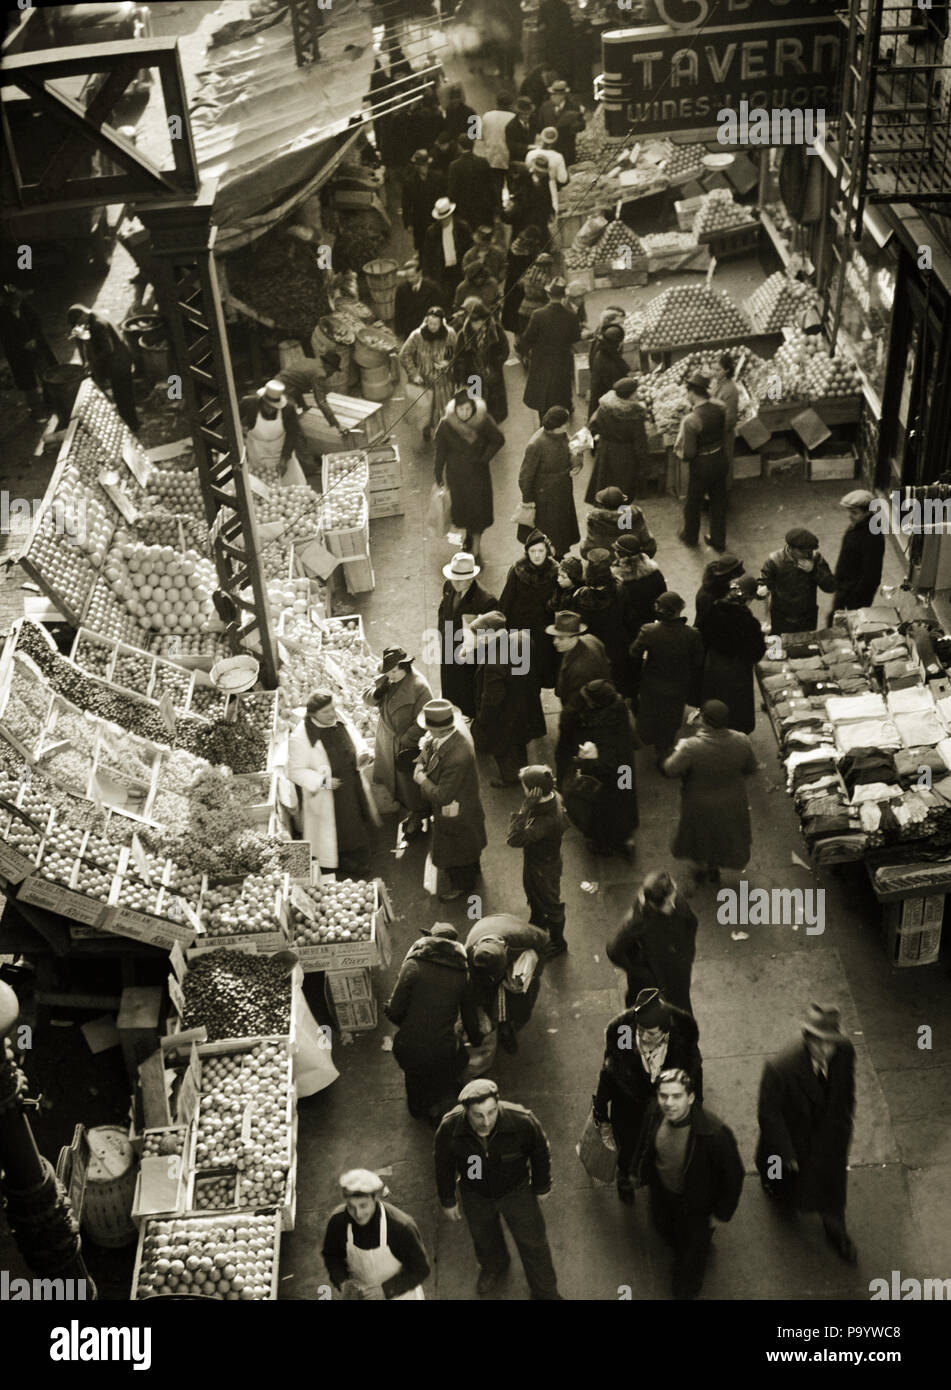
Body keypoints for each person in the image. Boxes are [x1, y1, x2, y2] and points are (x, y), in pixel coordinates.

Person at [434, 1078, 561, 1299]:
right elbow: (443, 1164)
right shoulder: (449, 1127)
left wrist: (542, 1185)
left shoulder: (522, 1121)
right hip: (475, 1193)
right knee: (484, 1237)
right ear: (466, 1111)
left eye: (491, 1112)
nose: (486, 1121)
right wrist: (448, 1199)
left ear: (498, 1105)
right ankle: (494, 1267)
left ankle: (545, 1291)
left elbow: (540, 1151)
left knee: (533, 1242)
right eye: (478, 1115)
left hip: (517, 1190)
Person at [756, 1003, 858, 1265]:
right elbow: (769, 1114)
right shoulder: (781, 1067)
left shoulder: (844, 1052)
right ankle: (776, 1188)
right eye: (819, 1043)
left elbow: (846, 1090)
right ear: (807, 1039)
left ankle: (836, 1233)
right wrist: (787, 1152)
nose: (825, 1050)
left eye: (831, 1044)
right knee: (782, 1178)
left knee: (831, 1189)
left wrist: (845, 1120)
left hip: (830, 1137)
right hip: (795, 1138)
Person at [633, 1068, 744, 1299]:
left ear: (691, 1098)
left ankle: (686, 1287)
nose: (669, 1103)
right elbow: (645, 1144)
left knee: (692, 1254)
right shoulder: (654, 1112)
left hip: (696, 1206)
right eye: (664, 1096)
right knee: (665, 1229)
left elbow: (734, 1176)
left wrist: (721, 1214)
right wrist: (638, 1171)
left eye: (677, 1096)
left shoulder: (714, 1134)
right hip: (663, 1196)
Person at [594, 988, 703, 1205]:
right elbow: (611, 1072)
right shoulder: (624, 1035)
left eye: (651, 1034)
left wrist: (696, 1112)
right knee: (627, 1151)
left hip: (664, 1113)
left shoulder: (682, 1045)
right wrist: (601, 1111)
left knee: (660, 1150)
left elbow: (694, 1081)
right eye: (640, 1030)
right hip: (629, 1113)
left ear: (666, 1032)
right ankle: (624, 1180)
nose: (643, 1037)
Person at [384, 923, 482, 1123]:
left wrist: (411, 1023)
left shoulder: (412, 965)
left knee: (415, 1075)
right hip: (442, 1052)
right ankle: (441, 1098)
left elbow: (394, 1011)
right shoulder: (462, 976)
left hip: (406, 1047)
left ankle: (420, 1108)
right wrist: (476, 1039)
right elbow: (470, 1019)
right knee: (457, 1060)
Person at [663, 699, 757, 890]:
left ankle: (700, 866)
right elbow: (751, 767)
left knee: (700, 835)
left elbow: (670, 769)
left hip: (698, 801)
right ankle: (714, 866)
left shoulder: (691, 746)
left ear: (704, 721)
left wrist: (678, 746)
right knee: (722, 834)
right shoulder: (741, 740)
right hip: (732, 800)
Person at [288, 690, 375, 873]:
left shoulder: (338, 718)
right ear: (312, 714)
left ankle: (359, 852)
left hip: (351, 783)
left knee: (356, 818)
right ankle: (345, 861)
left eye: (333, 708)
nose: (332, 714)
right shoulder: (300, 737)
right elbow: (295, 771)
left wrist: (362, 754)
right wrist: (322, 782)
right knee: (338, 829)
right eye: (326, 711)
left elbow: (355, 738)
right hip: (328, 792)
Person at [413, 697, 487, 901]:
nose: (427, 731)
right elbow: (429, 745)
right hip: (464, 807)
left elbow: (443, 795)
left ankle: (463, 886)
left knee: (457, 849)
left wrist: (421, 779)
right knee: (466, 846)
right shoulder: (447, 735)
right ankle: (472, 869)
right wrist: (421, 761)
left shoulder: (458, 755)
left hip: (456, 811)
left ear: (442, 730)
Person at [322, 1170, 430, 1300]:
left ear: (375, 1199)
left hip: (400, 1295)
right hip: (361, 1295)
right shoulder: (338, 1222)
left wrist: (387, 1290)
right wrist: (342, 1281)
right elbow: (331, 1255)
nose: (358, 1214)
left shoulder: (400, 1226)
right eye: (351, 1207)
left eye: (363, 1206)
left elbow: (421, 1269)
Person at [560, 678, 639, 857]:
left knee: (606, 809)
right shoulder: (618, 709)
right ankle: (625, 835)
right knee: (624, 799)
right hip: (624, 769)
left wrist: (583, 762)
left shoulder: (603, 727)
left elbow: (605, 764)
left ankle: (607, 843)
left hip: (609, 776)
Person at [470, 611, 546, 786]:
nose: (478, 640)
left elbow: (491, 700)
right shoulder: (523, 639)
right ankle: (521, 765)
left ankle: (511, 778)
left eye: (481, 636)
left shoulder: (494, 663)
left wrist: (482, 721)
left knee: (504, 748)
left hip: (505, 715)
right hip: (524, 704)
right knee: (518, 741)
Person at [363, 647, 432, 839]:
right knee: (394, 780)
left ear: (406, 667)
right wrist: (379, 691)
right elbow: (366, 698)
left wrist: (405, 740)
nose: (391, 676)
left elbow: (425, 718)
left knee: (409, 782)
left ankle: (419, 813)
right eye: (388, 672)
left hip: (405, 745)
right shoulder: (388, 679)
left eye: (394, 672)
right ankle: (409, 809)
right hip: (386, 741)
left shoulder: (419, 687)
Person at [630, 591, 704, 768]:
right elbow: (698, 661)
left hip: (651, 683)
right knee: (671, 717)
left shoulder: (649, 630)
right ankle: (664, 747)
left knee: (649, 712)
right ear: (679, 610)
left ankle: (646, 738)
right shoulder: (692, 634)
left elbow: (634, 652)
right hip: (678, 685)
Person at [606, 872, 698, 1013]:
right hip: (653, 977)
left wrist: (687, 955)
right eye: (668, 903)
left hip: (677, 973)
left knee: (680, 1009)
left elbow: (691, 923)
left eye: (673, 897)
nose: (673, 905)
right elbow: (614, 950)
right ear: (653, 904)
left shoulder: (675, 901)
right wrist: (640, 972)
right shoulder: (638, 921)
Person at [434, 389, 505, 561]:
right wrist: (438, 475)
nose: (464, 413)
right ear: (455, 408)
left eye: (467, 409)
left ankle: (476, 550)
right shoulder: (446, 425)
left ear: (473, 408)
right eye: (460, 409)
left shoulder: (483, 421)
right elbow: (441, 451)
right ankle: (468, 538)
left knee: (478, 512)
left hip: (478, 476)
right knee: (463, 510)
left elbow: (498, 439)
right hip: (456, 477)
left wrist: (484, 458)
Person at [505, 765, 568, 956]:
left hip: (543, 867)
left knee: (551, 904)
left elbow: (513, 839)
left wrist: (525, 808)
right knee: (535, 894)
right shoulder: (553, 797)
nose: (522, 789)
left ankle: (557, 943)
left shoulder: (545, 821)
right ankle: (538, 920)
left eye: (525, 786)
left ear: (534, 792)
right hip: (542, 861)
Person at [465, 915, 550, 1054]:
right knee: (484, 994)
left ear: (505, 949)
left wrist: (535, 972)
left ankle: (510, 1025)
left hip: (517, 957)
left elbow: (545, 943)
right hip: (489, 931)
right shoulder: (469, 950)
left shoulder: (523, 935)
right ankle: (498, 1021)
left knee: (523, 997)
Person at [699, 574, 767, 734]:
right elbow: (756, 653)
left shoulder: (713, 609)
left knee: (715, 695)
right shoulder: (748, 623)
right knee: (737, 704)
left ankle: (713, 726)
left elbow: (702, 635)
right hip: (737, 669)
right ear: (748, 598)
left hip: (714, 663)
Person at [435, 552, 498, 717]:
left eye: (460, 578)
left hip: (467, 662)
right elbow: (443, 612)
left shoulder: (485, 601)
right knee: (450, 690)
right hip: (448, 652)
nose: (454, 582)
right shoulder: (449, 587)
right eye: (453, 577)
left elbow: (488, 640)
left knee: (466, 696)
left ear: (471, 578)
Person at [565, 550, 633, 697]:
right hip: (617, 647)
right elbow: (628, 618)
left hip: (592, 650)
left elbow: (576, 628)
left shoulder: (579, 597)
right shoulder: (620, 590)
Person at [499, 529, 560, 689]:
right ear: (527, 552)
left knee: (540, 668)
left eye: (541, 550)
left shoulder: (554, 571)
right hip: (520, 628)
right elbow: (506, 600)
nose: (537, 555)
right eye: (533, 551)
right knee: (522, 672)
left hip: (543, 629)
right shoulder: (518, 570)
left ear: (547, 550)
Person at [517, 406, 581, 557]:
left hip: (562, 490)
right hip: (545, 497)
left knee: (561, 529)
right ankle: (550, 559)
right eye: (564, 424)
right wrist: (528, 501)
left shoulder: (562, 435)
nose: (567, 426)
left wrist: (577, 462)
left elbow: (572, 450)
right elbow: (525, 476)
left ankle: (559, 555)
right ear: (554, 426)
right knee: (550, 531)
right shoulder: (536, 444)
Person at [676, 372, 728, 553]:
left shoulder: (691, 420)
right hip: (721, 459)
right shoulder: (720, 409)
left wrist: (681, 456)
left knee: (693, 503)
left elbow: (689, 453)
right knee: (719, 502)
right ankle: (718, 540)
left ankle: (690, 537)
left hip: (702, 465)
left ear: (692, 393)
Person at [517, 277, 580, 424]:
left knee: (543, 396)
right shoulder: (570, 315)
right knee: (561, 392)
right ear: (564, 296)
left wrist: (524, 350)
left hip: (542, 361)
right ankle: (563, 419)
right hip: (562, 360)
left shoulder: (538, 315)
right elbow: (576, 337)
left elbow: (527, 338)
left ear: (548, 295)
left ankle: (545, 425)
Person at [66, 304, 138, 432]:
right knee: (125, 394)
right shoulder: (95, 315)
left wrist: (90, 353)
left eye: (78, 323)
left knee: (122, 396)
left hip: (118, 364)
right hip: (122, 358)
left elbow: (108, 349)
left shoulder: (98, 325)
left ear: (82, 316)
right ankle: (131, 421)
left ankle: (131, 426)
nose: (80, 326)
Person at [587, 377, 653, 501]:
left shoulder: (604, 408)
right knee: (624, 495)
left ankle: (603, 518)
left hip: (605, 453)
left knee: (605, 491)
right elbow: (640, 444)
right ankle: (624, 521)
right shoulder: (635, 415)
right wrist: (645, 466)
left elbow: (592, 426)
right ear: (631, 395)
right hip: (626, 458)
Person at [761, 527, 836, 635]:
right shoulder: (774, 560)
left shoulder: (815, 558)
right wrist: (761, 589)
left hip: (807, 617)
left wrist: (814, 571)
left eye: (809, 552)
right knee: (782, 647)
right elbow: (763, 582)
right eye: (803, 552)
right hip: (782, 618)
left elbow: (831, 586)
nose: (807, 555)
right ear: (791, 548)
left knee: (805, 647)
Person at [399, 306, 458, 442]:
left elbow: (457, 353)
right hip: (423, 381)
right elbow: (404, 355)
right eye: (429, 323)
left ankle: (443, 433)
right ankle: (426, 430)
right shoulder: (417, 336)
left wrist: (448, 363)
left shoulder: (450, 334)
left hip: (444, 382)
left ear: (442, 322)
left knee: (444, 409)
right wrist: (414, 374)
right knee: (425, 410)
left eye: (435, 324)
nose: (432, 327)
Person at [0, 284, 55, 419]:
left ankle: (52, 401)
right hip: (17, 353)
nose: (16, 304)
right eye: (14, 302)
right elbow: (5, 335)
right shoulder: (3, 314)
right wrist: (22, 345)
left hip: (35, 347)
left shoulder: (26, 307)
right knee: (28, 383)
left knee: (45, 372)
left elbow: (37, 323)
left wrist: (34, 339)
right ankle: (37, 411)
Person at [452, 297, 509, 426]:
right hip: (473, 377)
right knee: (475, 409)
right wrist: (460, 378)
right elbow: (459, 358)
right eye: (474, 322)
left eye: (479, 322)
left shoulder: (497, 332)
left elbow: (504, 351)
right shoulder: (463, 335)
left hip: (492, 376)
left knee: (493, 412)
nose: (476, 326)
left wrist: (495, 366)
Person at [238, 377, 308, 476]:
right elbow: (232, 421)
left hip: (279, 450)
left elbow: (292, 434)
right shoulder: (249, 403)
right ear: (261, 401)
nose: (270, 410)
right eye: (267, 406)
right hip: (256, 451)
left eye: (274, 408)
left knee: (285, 484)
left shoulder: (288, 409)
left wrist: (284, 458)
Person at [832, 489, 884, 615]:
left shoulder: (872, 537)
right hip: (845, 587)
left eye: (854, 513)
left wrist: (854, 597)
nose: (850, 516)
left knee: (850, 623)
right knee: (836, 617)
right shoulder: (857, 525)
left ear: (867, 513)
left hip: (855, 593)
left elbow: (871, 575)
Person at [547, 609, 610, 714]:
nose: (555, 642)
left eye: (561, 638)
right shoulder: (590, 639)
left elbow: (575, 705)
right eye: (555, 637)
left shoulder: (579, 669)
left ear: (575, 637)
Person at [614, 537, 667, 649]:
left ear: (622, 556)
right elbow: (663, 596)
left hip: (630, 624)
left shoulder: (620, 582)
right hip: (650, 618)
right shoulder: (655, 573)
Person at [420, 198, 474, 307]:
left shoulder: (462, 228)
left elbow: (470, 249)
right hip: (442, 271)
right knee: (445, 300)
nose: (443, 221)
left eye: (446, 218)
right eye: (441, 218)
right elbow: (427, 256)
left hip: (460, 269)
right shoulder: (432, 232)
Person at [580, 485, 655, 559]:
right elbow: (649, 546)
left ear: (602, 504)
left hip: (604, 565)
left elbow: (586, 551)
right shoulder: (635, 515)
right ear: (623, 502)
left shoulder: (595, 519)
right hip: (631, 564)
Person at [448, 135, 500, 233]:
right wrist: (495, 206)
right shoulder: (483, 162)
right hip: (483, 208)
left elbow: (452, 191)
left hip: (465, 210)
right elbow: (491, 186)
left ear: (460, 147)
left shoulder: (454, 166)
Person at [501, 224, 543, 332]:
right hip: (518, 282)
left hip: (517, 280)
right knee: (517, 309)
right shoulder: (521, 249)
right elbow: (518, 266)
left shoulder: (521, 244)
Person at [537, 76, 585, 166]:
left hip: (567, 151)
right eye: (551, 94)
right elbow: (540, 126)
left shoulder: (574, 107)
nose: (552, 97)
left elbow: (581, 126)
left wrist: (572, 125)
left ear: (563, 95)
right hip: (549, 151)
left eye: (554, 94)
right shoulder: (545, 107)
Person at [504, 157, 554, 239]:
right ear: (534, 169)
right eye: (540, 172)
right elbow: (519, 197)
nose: (542, 174)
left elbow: (548, 195)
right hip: (525, 217)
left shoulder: (545, 179)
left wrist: (550, 211)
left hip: (540, 217)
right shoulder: (523, 177)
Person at [586, 322, 628, 417]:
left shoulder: (601, 352)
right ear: (619, 343)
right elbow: (617, 388)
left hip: (598, 404)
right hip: (606, 411)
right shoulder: (609, 362)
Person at [394, 257, 441, 340]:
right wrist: (399, 333)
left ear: (420, 273)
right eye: (407, 277)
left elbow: (439, 310)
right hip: (409, 332)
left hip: (428, 330)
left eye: (412, 276)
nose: (410, 280)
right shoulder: (401, 289)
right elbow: (398, 312)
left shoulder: (432, 288)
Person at [479, 91, 516, 197]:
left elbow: (481, 136)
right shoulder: (513, 117)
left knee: (496, 188)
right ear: (510, 104)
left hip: (492, 157)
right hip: (509, 158)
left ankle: (498, 209)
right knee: (513, 187)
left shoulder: (487, 116)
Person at [694, 554, 744, 629]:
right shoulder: (707, 597)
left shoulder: (721, 585)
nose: (737, 582)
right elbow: (710, 624)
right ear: (729, 576)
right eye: (735, 577)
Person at [525, 127, 569, 213]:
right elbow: (562, 179)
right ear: (555, 141)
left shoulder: (531, 154)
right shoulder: (558, 157)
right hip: (549, 189)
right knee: (549, 214)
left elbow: (527, 169)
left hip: (531, 188)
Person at [711, 352, 740, 478]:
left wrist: (716, 432)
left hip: (723, 434)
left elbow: (730, 418)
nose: (714, 372)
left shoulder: (730, 390)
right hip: (716, 431)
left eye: (718, 370)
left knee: (724, 464)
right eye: (713, 369)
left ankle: (725, 493)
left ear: (727, 370)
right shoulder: (718, 383)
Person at [405, 87, 445, 154]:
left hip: (421, 144)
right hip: (434, 142)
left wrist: (411, 110)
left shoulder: (417, 115)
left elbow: (410, 126)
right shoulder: (438, 113)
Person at [505, 96, 539, 166]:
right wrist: (528, 147)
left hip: (531, 159)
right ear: (519, 114)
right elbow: (511, 146)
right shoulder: (511, 126)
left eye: (528, 113)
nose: (527, 116)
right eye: (524, 114)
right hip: (517, 161)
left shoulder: (533, 121)